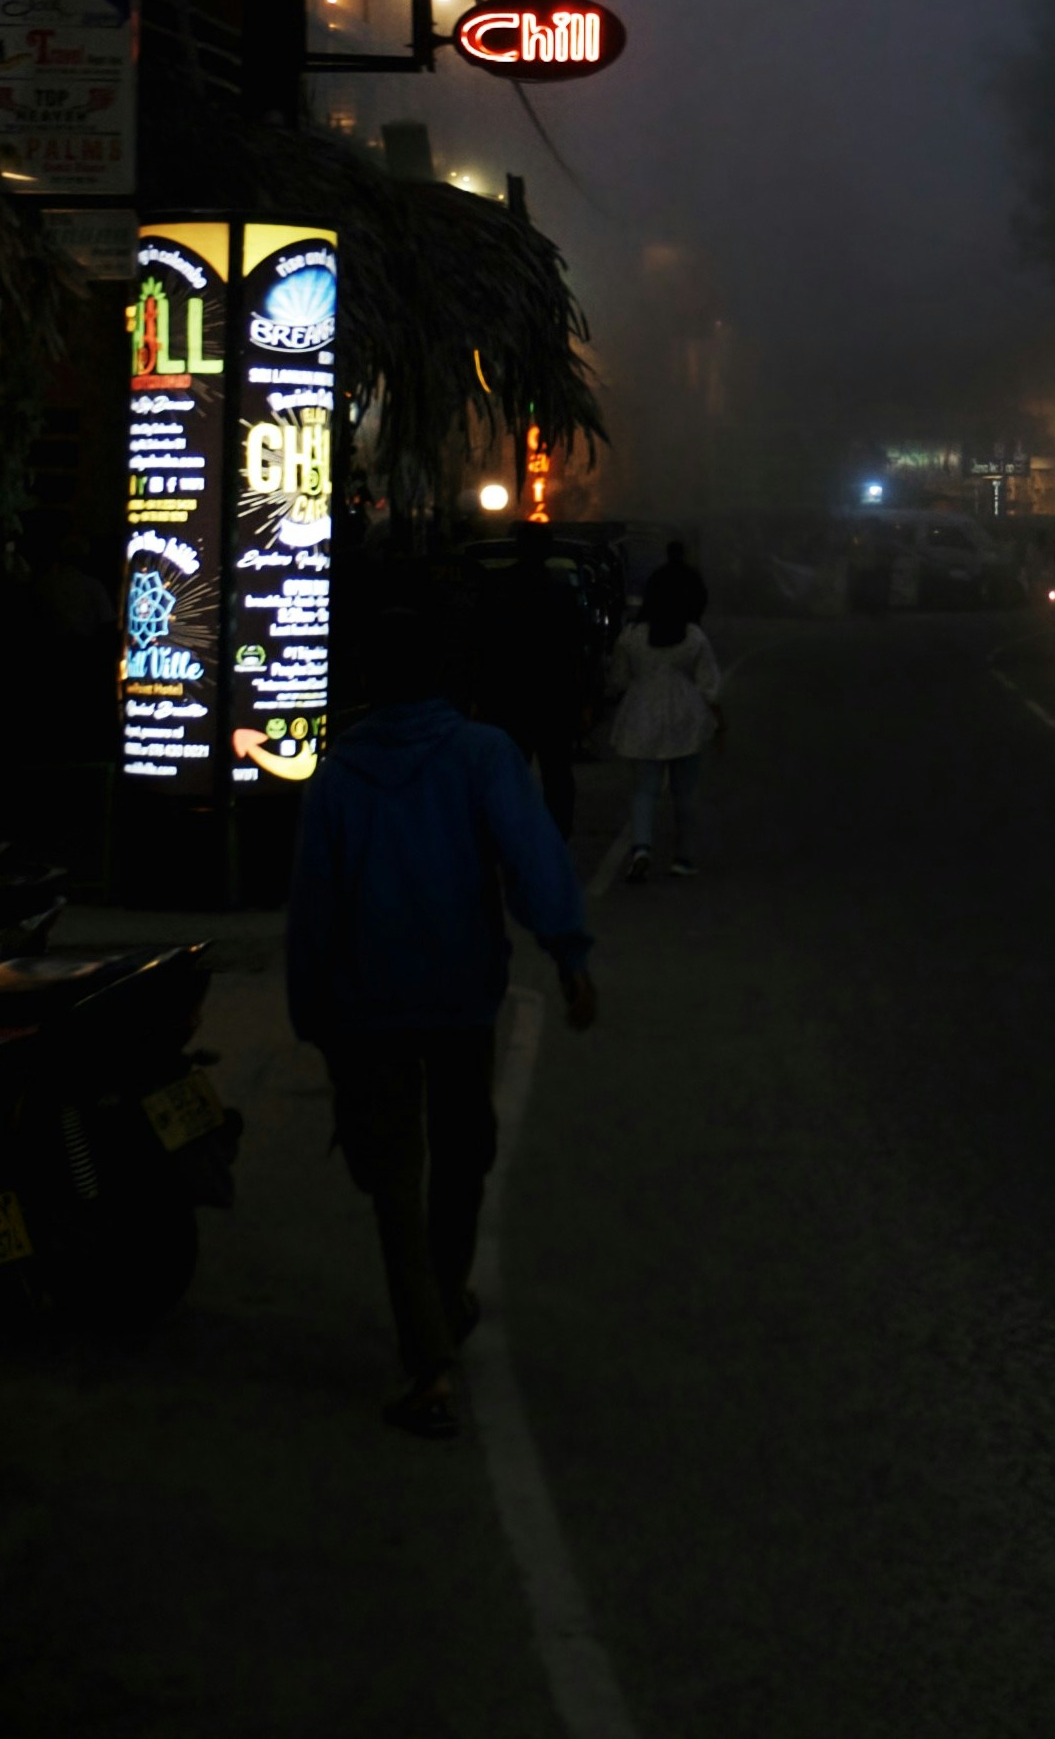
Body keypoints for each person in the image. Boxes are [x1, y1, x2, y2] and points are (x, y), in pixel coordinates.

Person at [286, 606, 596, 1440]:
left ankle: (429, 1350)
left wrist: (310, 1011)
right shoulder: (481, 755)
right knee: (463, 1152)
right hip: (461, 994)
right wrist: (569, 955)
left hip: (365, 1005)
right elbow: (534, 858)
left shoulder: (340, 772)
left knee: (393, 1181)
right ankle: (440, 1315)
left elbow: (313, 907)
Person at [474, 521, 592, 836]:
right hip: (552, 698)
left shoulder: (496, 589)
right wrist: (580, 698)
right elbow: (576, 649)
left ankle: (506, 832)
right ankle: (556, 836)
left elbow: (481, 645)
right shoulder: (560, 593)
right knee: (557, 775)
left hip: (508, 696)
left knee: (510, 772)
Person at [609, 589, 723, 881]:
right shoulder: (693, 637)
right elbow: (709, 683)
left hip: (642, 714)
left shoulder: (632, 637)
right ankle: (683, 857)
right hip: (686, 716)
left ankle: (641, 848)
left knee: (644, 789)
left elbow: (618, 678)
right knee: (684, 792)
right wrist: (719, 719)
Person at [639, 535, 709, 633]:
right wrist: (693, 616)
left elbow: (650, 597)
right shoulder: (691, 575)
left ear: (668, 553)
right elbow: (701, 597)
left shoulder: (659, 575)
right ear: (683, 554)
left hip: (663, 622)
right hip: (687, 622)